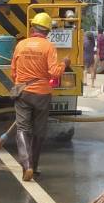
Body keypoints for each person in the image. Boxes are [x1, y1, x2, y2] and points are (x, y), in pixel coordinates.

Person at [10, 11, 65, 182]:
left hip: (23, 92)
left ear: (32, 27)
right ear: (48, 31)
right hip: (42, 94)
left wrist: (20, 82)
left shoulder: (21, 45)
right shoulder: (49, 47)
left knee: (22, 129)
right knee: (39, 131)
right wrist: (65, 64)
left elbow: (13, 71)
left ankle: (28, 166)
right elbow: (54, 73)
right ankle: (35, 166)